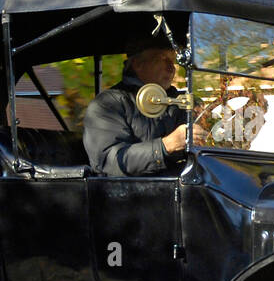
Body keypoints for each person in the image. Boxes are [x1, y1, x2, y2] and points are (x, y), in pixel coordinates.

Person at [83, 33, 206, 176]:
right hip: (132, 194)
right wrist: (166, 145)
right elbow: (110, 162)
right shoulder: (108, 104)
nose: (171, 68)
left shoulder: (179, 102)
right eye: (163, 59)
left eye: (172, 61)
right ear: (138, 64)